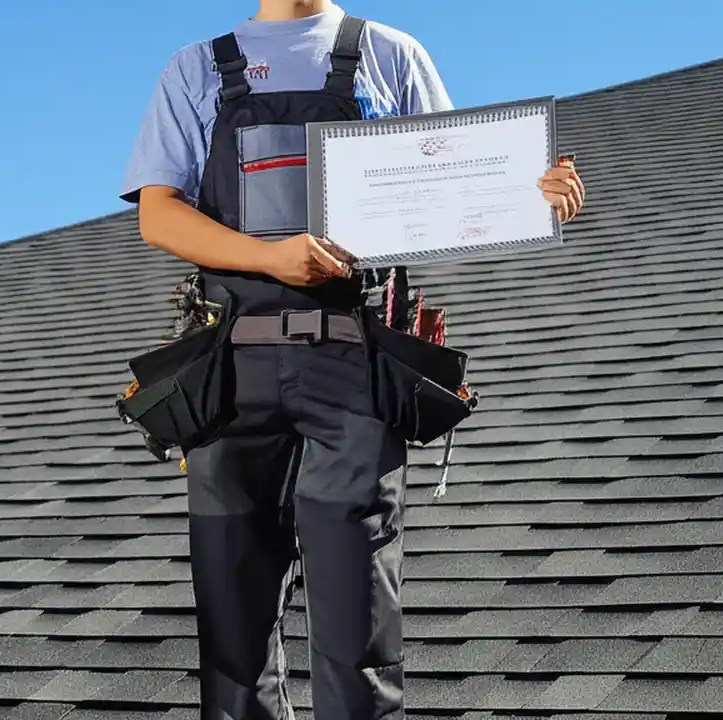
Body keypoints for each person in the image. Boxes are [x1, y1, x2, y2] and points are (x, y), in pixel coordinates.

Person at [119, 2, 585, 718]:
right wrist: (271, 256)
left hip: (353, 371)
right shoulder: (195, 69)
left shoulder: (390, 55)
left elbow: (454, 187)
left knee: (358, 641)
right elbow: (159, 213)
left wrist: (533, 197)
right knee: (232, 654)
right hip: (230, 378)